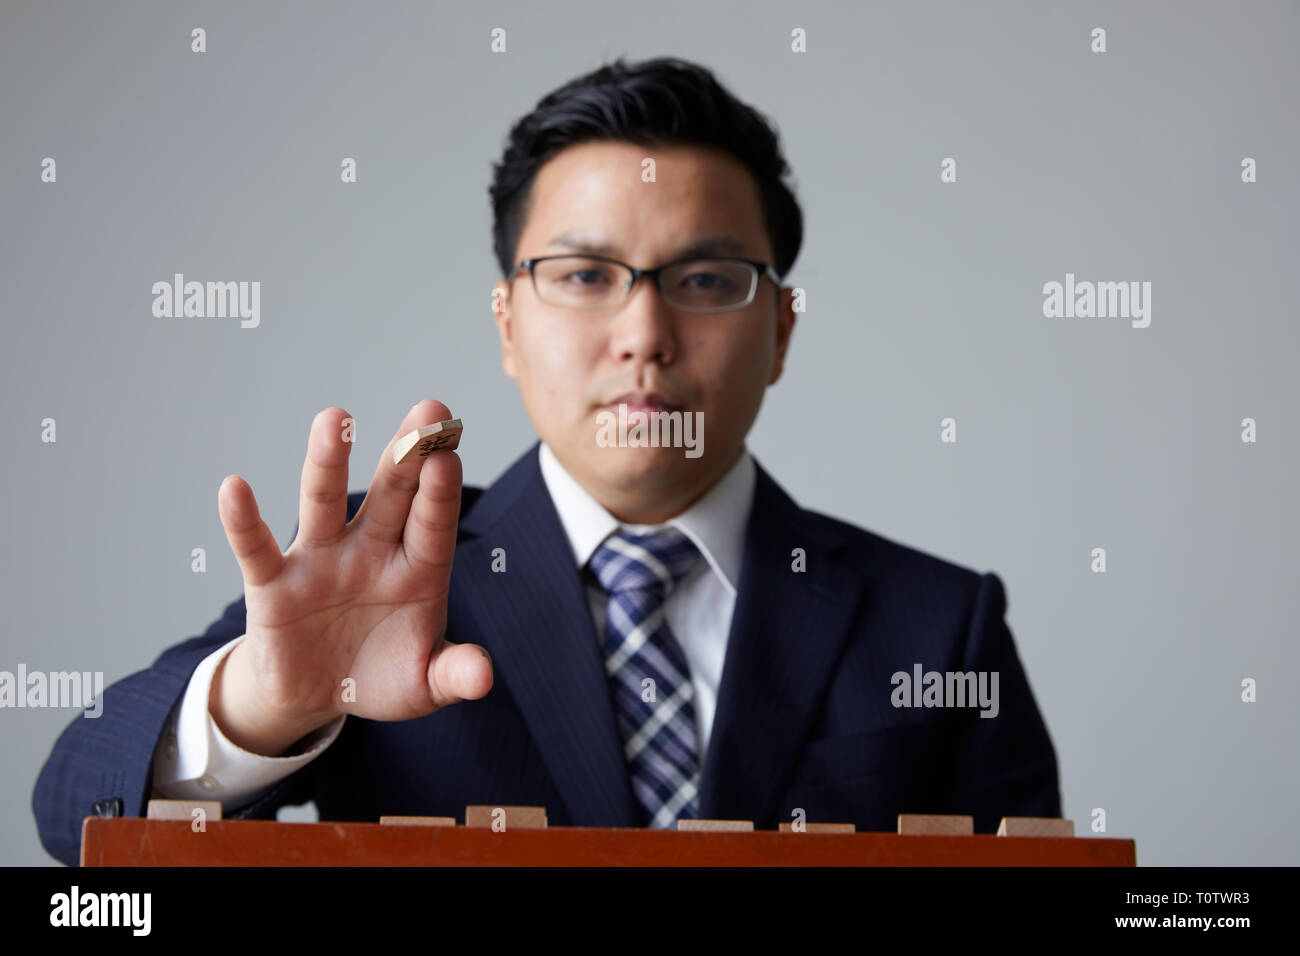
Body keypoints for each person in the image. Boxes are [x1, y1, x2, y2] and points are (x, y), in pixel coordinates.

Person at [33, 56, 1060, 866]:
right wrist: (265, 699)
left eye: (706, 278)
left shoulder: (939, 624)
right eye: (583, 275)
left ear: (781, 329)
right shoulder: (385, 577)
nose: (644, 333)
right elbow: (73, 804)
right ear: (508, 325)